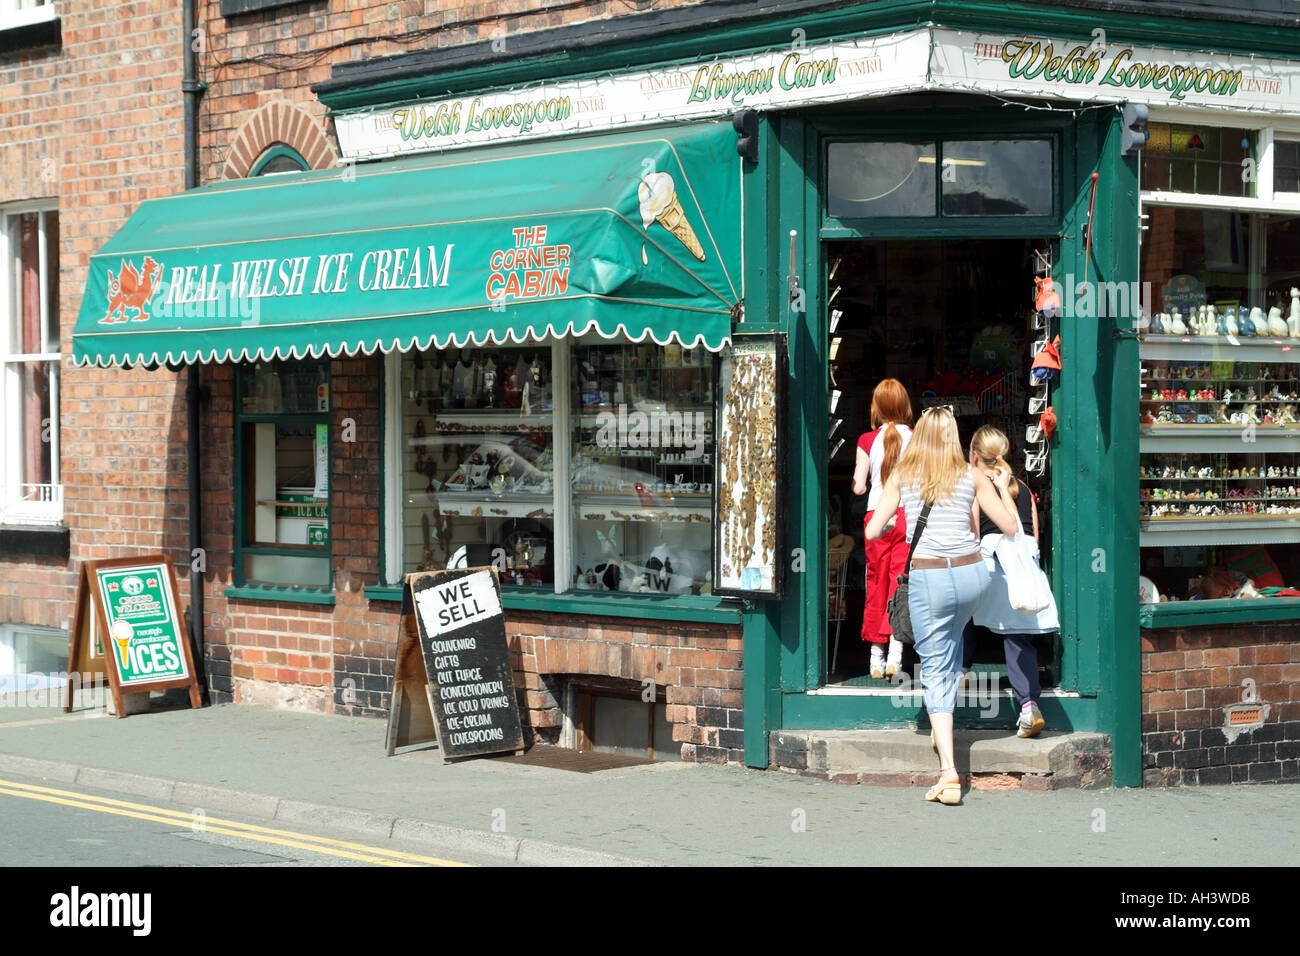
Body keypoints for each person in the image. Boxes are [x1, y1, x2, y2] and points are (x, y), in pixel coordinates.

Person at [866, 406, 1018, 805]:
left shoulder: (904, 475)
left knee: (933, 666)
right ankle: (943, 721)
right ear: (953, 437)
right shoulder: (971, 475)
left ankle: (949, 773)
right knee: (949, 651)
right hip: (972, 577)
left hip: (930, 577)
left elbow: (871, 529)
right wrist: (1001, 484)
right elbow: (1010, 526)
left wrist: (900, 518)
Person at [963, 426, 1055, 738]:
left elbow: (973, 532)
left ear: (974, 456)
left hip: (991, 561)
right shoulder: (1025, 490)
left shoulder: (976, 485)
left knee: (965, 615)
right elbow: (1035, 538)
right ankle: (1029, 706)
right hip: (1023, 563)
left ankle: (959, 673)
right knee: (1018, 637)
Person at [851, 379, 913, 679]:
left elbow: (860, 488)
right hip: (906, 515)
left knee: (876, 583)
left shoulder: (866, 440)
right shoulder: (914, 437)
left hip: (876, 516)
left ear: (877, 406)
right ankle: (896, 656)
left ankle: (875, 658)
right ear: (904, 405)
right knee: (900, 583)